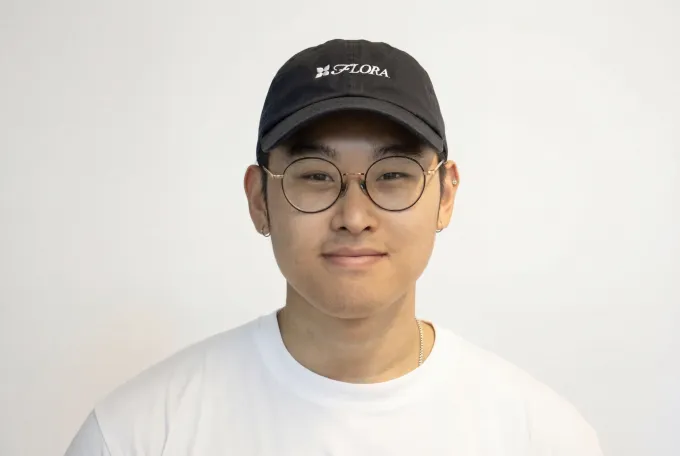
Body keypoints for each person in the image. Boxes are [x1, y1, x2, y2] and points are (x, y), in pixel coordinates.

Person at [65, 39, 603, 455]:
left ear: (445, 196)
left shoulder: (541, 436)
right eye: (316, 176)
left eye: (393, 174)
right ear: (259, 200)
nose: (354, 218)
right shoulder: (139, 434)